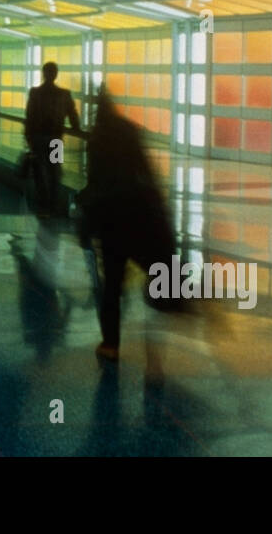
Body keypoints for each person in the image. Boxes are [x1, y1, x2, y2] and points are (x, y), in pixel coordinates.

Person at [80, 87, 173, 362]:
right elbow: (147, 173)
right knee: (157, 272)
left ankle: (111, 344)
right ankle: (154, 356)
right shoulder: (131, 130)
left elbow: (94, 182)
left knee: (111, 285)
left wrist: (87, 220)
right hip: (139, 217)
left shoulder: (96, 139)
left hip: (111, 221)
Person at [23, 62, 82, 217]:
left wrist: (28, 138)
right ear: (56, 74)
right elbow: (73, 114)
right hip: (56, 140)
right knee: (54, 171)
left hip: (38, 140)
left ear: (44, 74)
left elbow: (29, 116)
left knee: (40, 173)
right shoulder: (64, 94)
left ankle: (43, 207)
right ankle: (54, 206)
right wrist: (77, 129)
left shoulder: (35, 93)